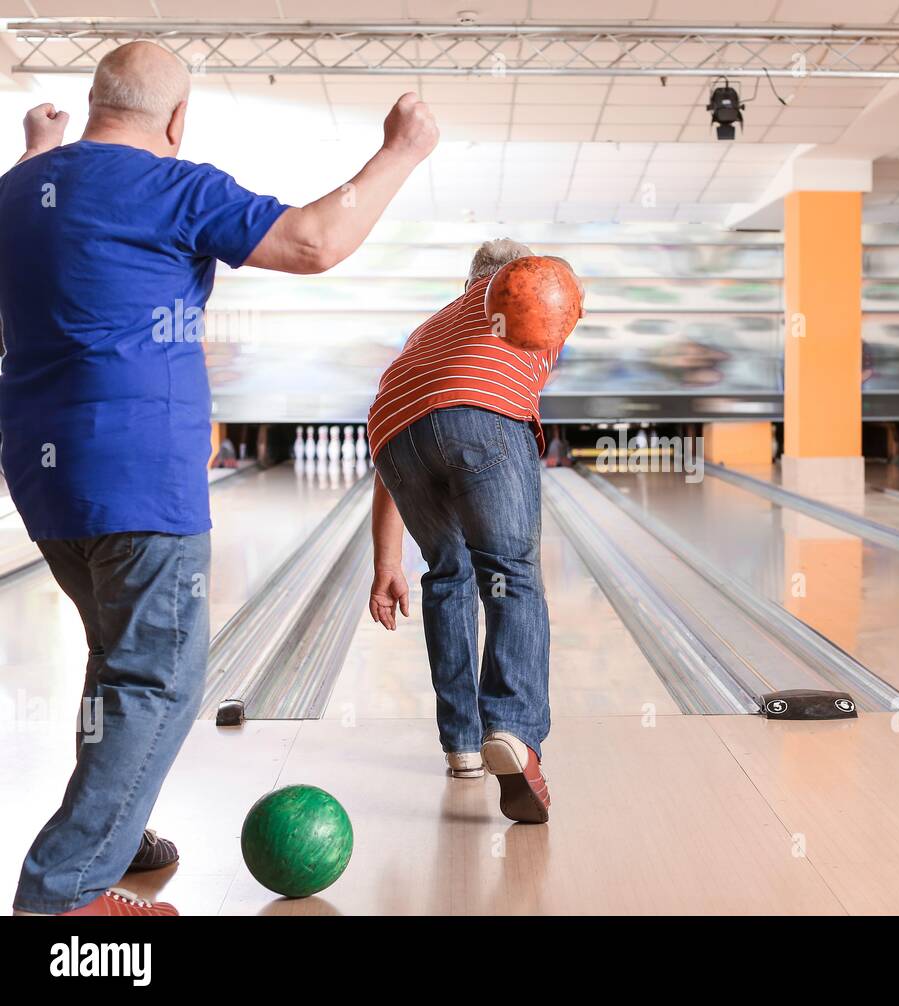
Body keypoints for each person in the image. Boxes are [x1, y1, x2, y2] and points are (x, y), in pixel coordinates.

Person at [0, 41, 438, 916]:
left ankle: (119, 836)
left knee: (121, 662)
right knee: (158, 678)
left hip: (46, 482)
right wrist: (402, 152)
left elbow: (43, 215)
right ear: (176, 118)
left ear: (93, 106)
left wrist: (35, 151)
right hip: (141, 478)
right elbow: (314, 243)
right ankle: (66, 897)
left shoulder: (21, 190)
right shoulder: (176, 186)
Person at [366, 239, 579, 825]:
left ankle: (461, 744)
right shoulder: (529, 297)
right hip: (479, 416)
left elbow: (399, 438)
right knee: (510, 573)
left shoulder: (429, 331)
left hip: (395, 438)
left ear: (468, 281)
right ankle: (512, 731)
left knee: (449, 572)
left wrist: (388, 563)